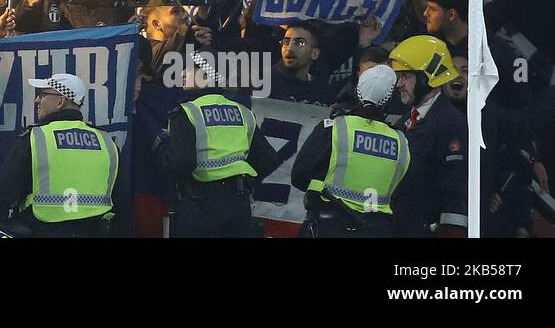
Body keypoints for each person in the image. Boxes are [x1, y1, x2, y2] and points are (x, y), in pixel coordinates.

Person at [155, 52, 282, 238]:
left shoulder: (187, 112)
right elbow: (268, 159)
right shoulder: (242, 112)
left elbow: (180, 163)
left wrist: (162, 149)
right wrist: (243, 178)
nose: (182, 73)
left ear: (206, 77)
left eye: (190, 69)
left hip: (200, 204)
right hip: (238, 204)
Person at [0, 72, 119, 237]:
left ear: (60, 101)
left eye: (43, 95)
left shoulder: (35, 138)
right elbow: (121, 203)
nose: (37, 100)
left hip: (41, 231)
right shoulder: (107, 143)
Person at [292, 64, 410, 237]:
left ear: (357, 91)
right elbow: (402, 192)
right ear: (391, 97)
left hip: (332, 227)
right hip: (378, 230)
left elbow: (299, 177)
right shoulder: (401, 140)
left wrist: (320, 189)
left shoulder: (335, 128)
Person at [388, 35, 468, 237]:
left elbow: (457, 188)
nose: (398, 84)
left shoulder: (452, 122)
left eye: (405, 76)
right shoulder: (405, 121)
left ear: (427, 78)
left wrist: (451, 233)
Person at [270, 23, 333, 104]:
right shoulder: (266, 83)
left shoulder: (321, 88)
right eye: (286, 42)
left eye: (299, 43)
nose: (289, 48)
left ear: (314, 54)